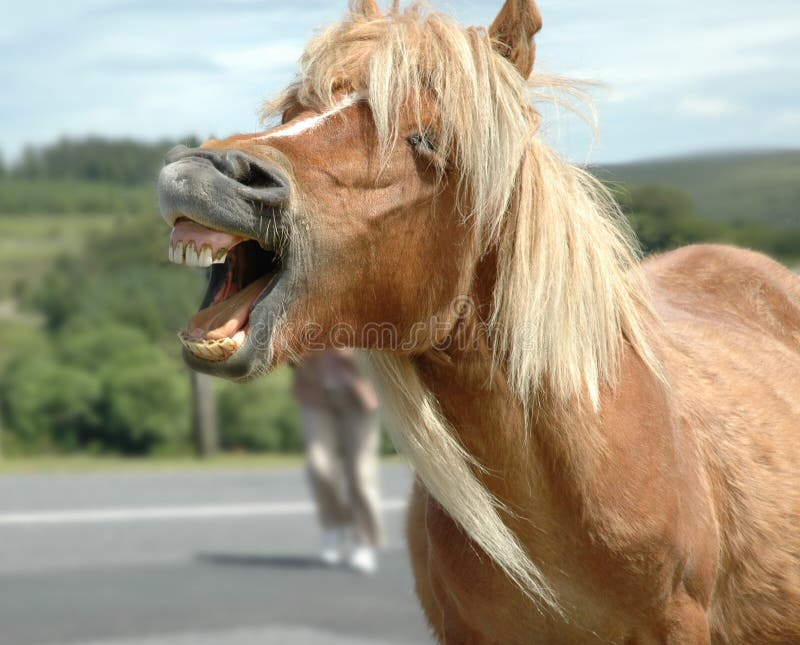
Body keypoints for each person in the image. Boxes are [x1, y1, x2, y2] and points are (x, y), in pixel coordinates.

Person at [292, 348, 383, 574]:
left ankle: (365, 541)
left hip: (358, 391)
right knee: (318, 466)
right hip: (315, 391)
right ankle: (334, 525)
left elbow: (378, 351)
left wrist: (344, 350)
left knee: (361, 475)